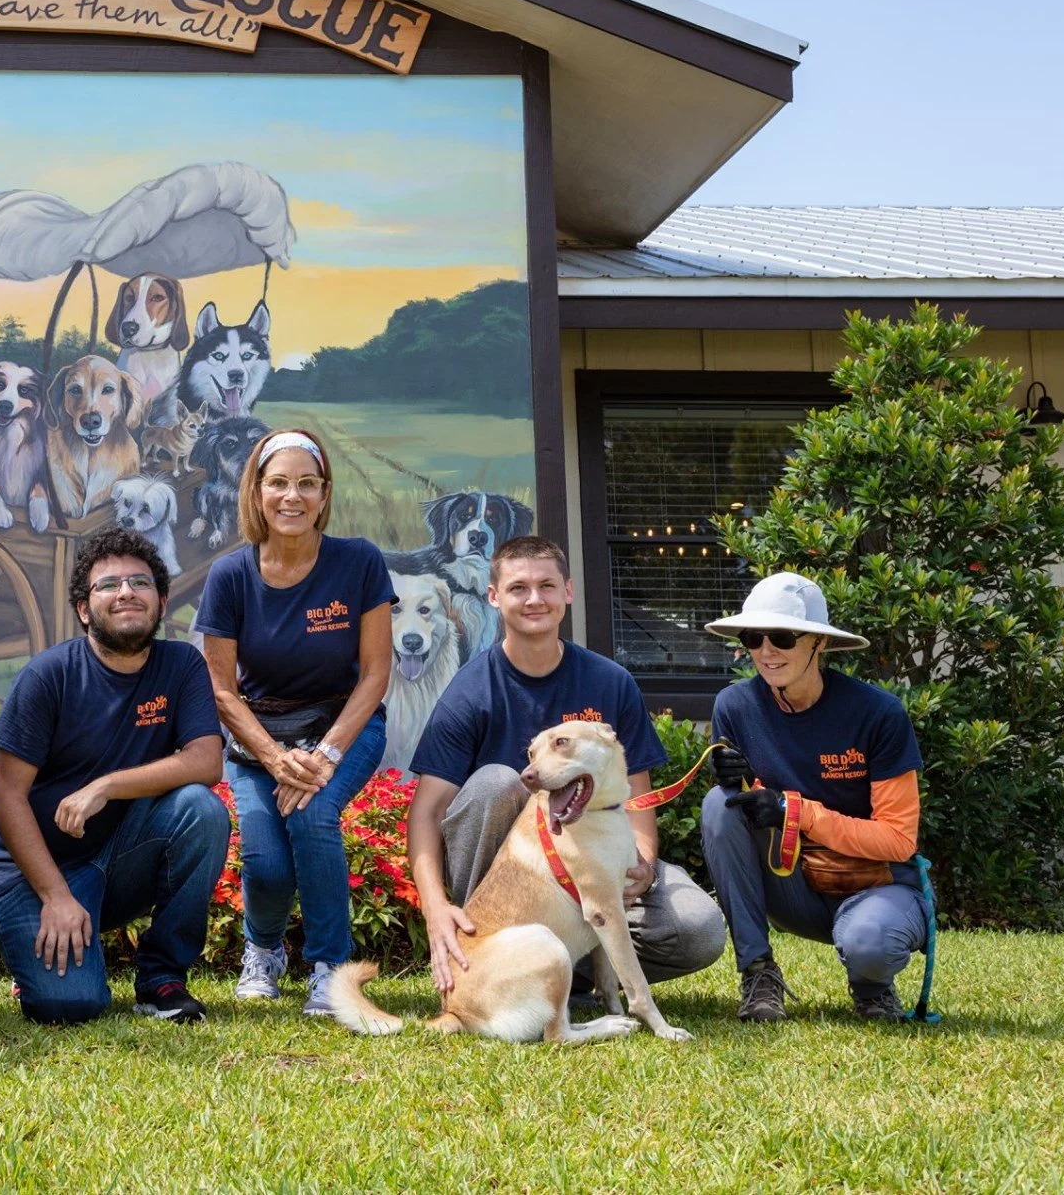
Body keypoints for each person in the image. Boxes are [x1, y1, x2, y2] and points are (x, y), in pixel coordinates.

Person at [405, 534, 725, 1002]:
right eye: (518, 588)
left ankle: (561, 975)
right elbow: (427, 812)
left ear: (568, 592)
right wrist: (436, 909)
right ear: (493, 597)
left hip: (598, 867)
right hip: (515, 891)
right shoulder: (470, 691)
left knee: (698, 928)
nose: (534, 599)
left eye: (547, 586)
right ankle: (484, 962)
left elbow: (635, 792)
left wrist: (644, 859)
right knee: (496, 782)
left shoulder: (608, 681)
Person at [0, 527, 229, 1024]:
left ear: (160, 600)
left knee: (201, 811)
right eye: (108, 585)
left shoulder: (181, 665)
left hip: (115, 859)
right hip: (33, 873)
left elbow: (206, 762)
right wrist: (54, 895)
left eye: (139, 582)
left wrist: (105, 786)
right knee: (69, 1005)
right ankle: (37, 951)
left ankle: (161, 978)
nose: (126, 593)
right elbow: (6, 798)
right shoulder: (50, 675)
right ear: (83, 608)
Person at [194, 428, 396, 1019]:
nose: (293, 496)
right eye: (278, 482)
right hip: (259, 735)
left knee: (312, 816)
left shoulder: (358, 561)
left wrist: (324, 756)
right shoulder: (230, 576)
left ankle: (332, 968)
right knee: (267, 859)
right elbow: (221, 691)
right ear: (257, 493)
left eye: (307, 484)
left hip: (344, 724)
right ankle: (263, 951)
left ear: (324, 493)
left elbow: (376, 674)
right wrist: (278, 758)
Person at [700, 571, 930, 1023]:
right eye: (754, 637)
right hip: (795, 884)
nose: (766, 651)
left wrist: (793, 809)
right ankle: (758, 974)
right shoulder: (734, 706)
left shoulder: (879, 713)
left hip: (877, 885)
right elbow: (754, 815)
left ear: (817, 643)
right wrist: (747, 786)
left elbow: (900, 841)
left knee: (870, 946)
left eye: (782, 637)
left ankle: (872, 987)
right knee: (718, 804)